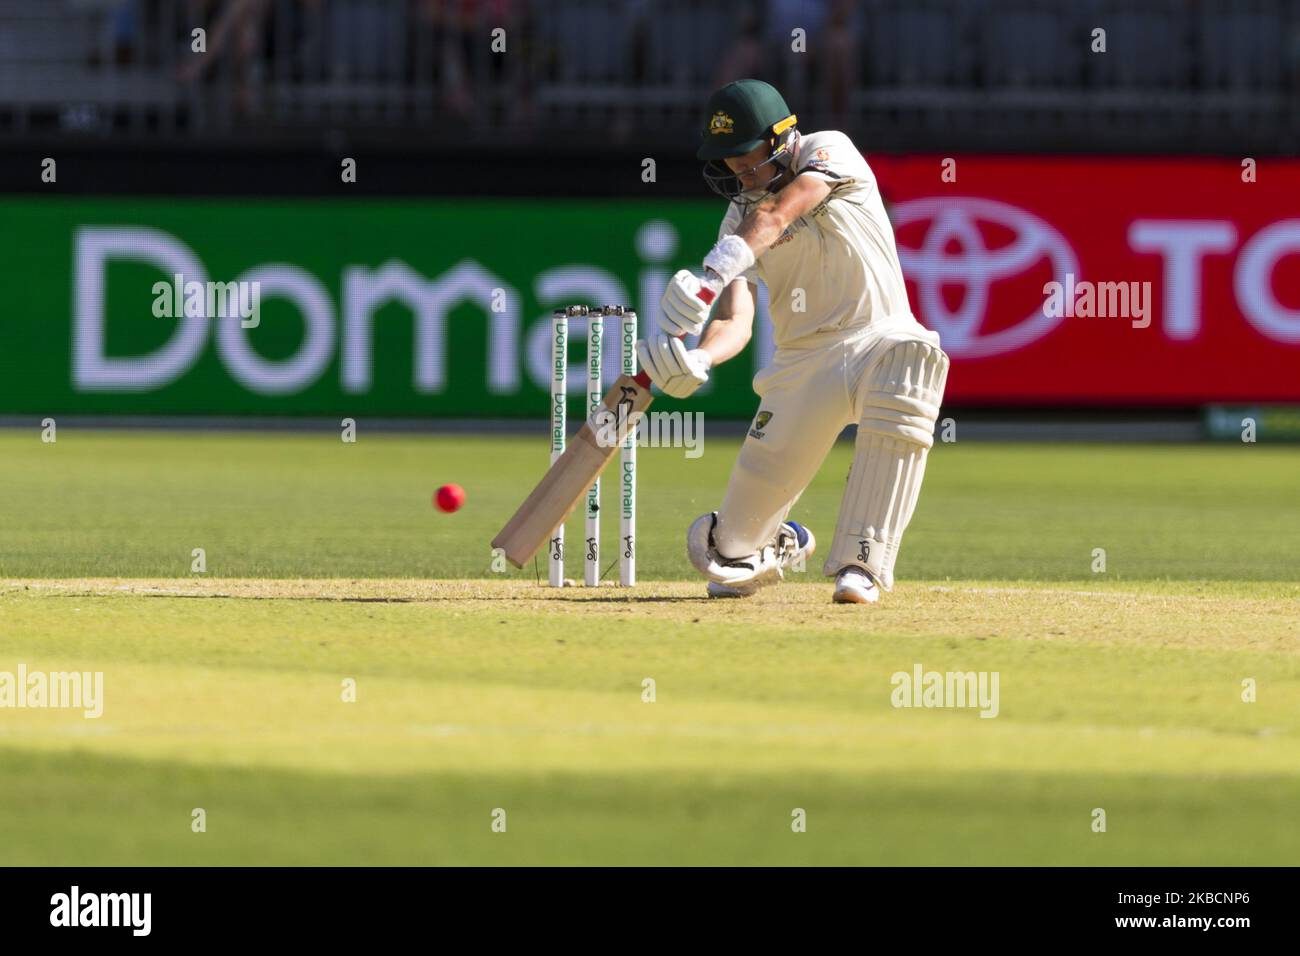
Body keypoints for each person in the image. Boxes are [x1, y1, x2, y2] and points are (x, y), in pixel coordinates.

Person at [636, 79, 949, 605]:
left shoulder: (830, 150)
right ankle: (777, 544)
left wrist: (708, 276)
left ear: (782, 138)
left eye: (746, 155)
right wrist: (699, 357)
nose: (738, 170)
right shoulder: (736, 219)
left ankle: (862, 564)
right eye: (727, 160)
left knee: (914, 360)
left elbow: (779, 213)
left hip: (879, 335)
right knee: (727, 559)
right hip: (802, 366)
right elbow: (737, 322)